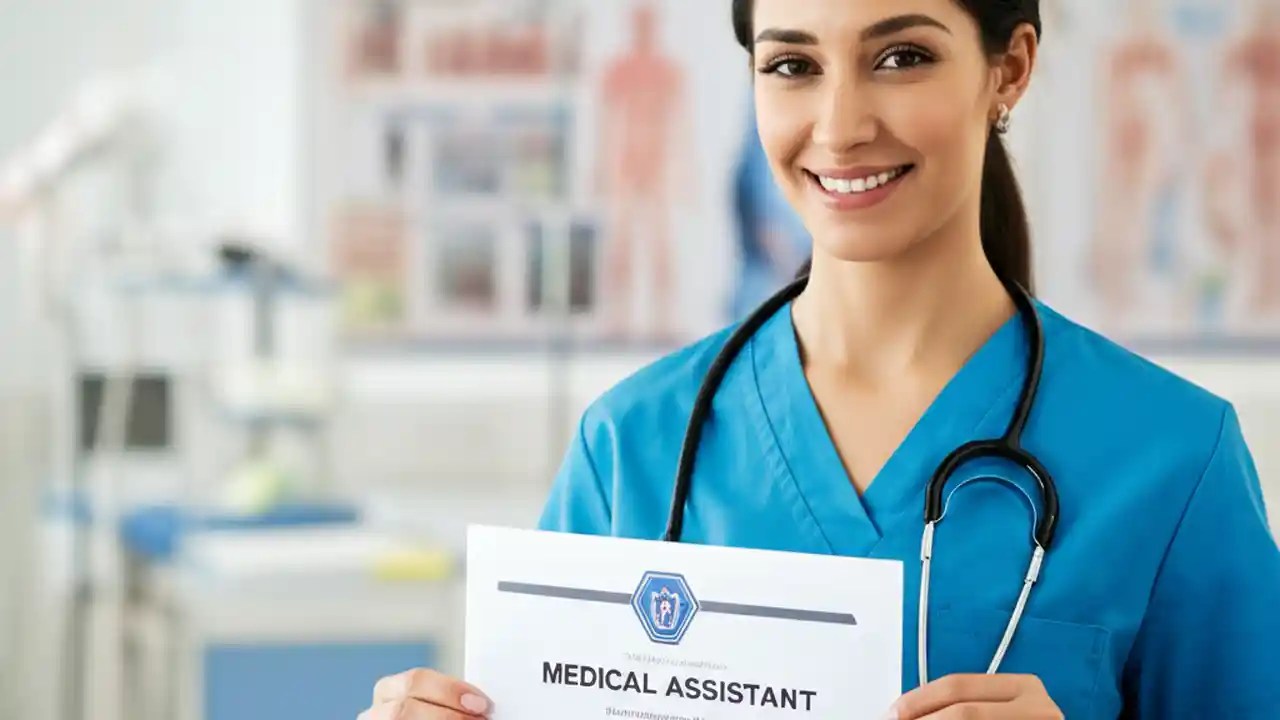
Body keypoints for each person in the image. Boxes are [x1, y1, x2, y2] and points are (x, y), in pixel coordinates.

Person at [360, 0, 1280, 718]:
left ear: (1010, 69)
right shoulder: (635, 443)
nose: (840, 127)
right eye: (794, 66)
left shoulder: (1172, 458)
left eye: (902, 57)